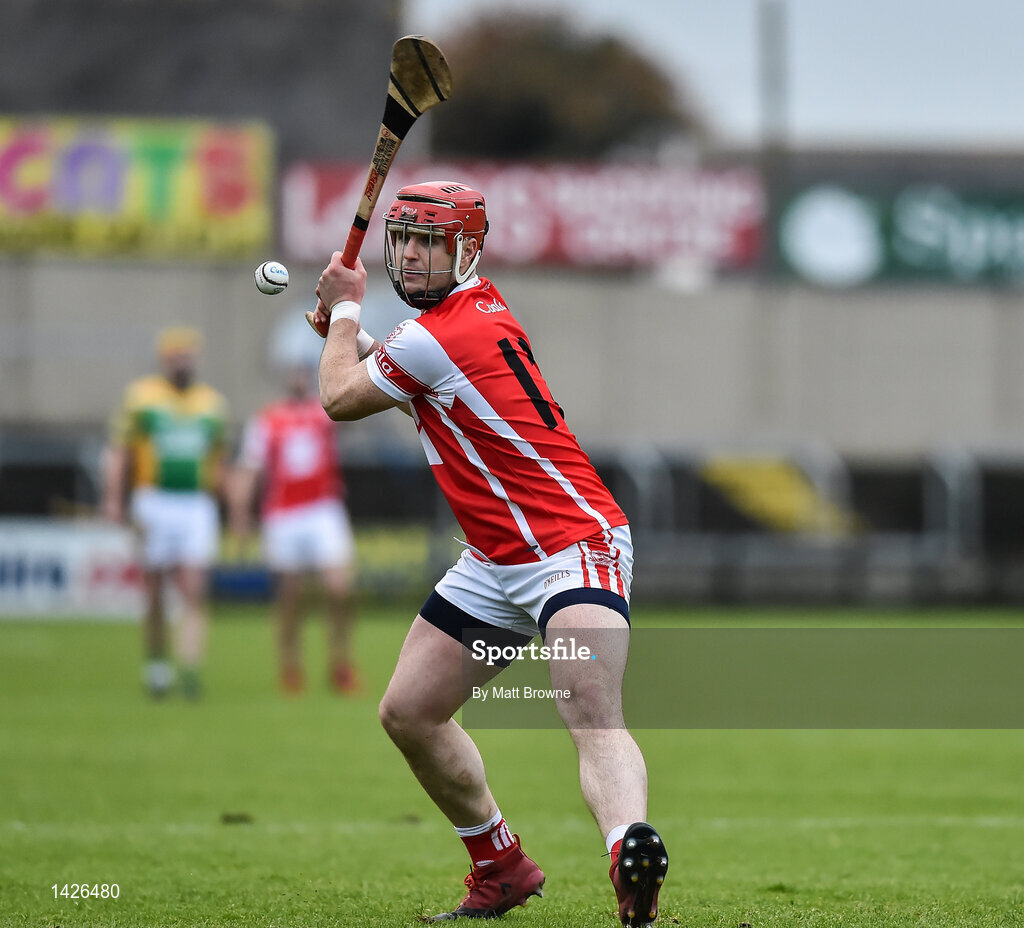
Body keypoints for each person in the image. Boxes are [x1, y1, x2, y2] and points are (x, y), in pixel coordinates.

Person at [306, 181, 667, 926]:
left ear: (466, 249)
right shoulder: (466, 317)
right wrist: (358, 339)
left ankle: (630, 848)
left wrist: (345, 309)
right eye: (402, 238)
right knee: (410, 711)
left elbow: (340, 398)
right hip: (495, 562)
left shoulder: (437, 335)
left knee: (587, 704)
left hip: (575, 544)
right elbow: (425, 389)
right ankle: (499, 866)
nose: (409, 253)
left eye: (427, 242)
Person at [102, 326, 228, 700]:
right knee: (155, 589)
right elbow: (121, 451)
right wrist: (113, 497)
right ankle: (157, 665)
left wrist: (235, 506)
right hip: (152, 499)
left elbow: (218, 460)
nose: (183, 363)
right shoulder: (141, 398)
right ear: (164, 359)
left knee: (194, 590)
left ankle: (189, 671)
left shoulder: (211, 403)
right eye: (176, 356)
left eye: (188, 356)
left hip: (196, 505)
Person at [229, 362, 360, 695]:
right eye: (294, 373)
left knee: (338, 588)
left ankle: (340, 662)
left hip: (323, 509)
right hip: (283, 515)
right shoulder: (268, 420)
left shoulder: (325, 412)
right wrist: (240, 512)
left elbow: (355, 407)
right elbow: (249, 468)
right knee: (289, 597)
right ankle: (290, 666)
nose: (299, 379)